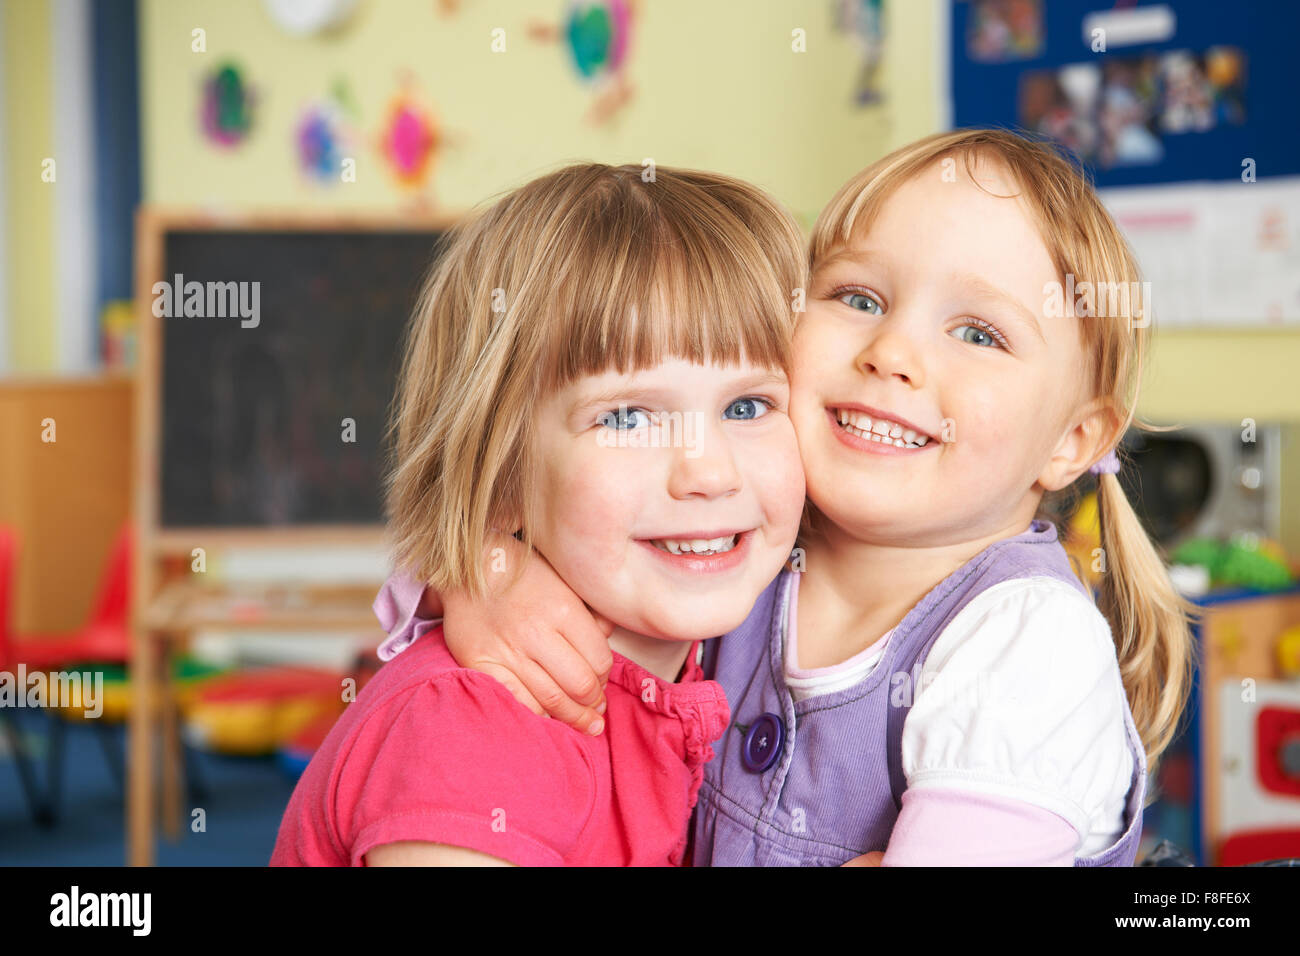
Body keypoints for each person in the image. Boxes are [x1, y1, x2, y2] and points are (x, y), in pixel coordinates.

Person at [403, 130, 1196, 866]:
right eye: (858, 297)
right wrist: (492, 568)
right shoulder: (737, 538)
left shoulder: (1030, 646)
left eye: (979, 333)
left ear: (1074, 440)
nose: (893, 353)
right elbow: (536, 544)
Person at [270, 162, 808, 866]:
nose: (709, 472)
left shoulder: (715, 630)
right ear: (502, 471)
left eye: (748, 406)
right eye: (627, 417)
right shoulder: (473, 732)